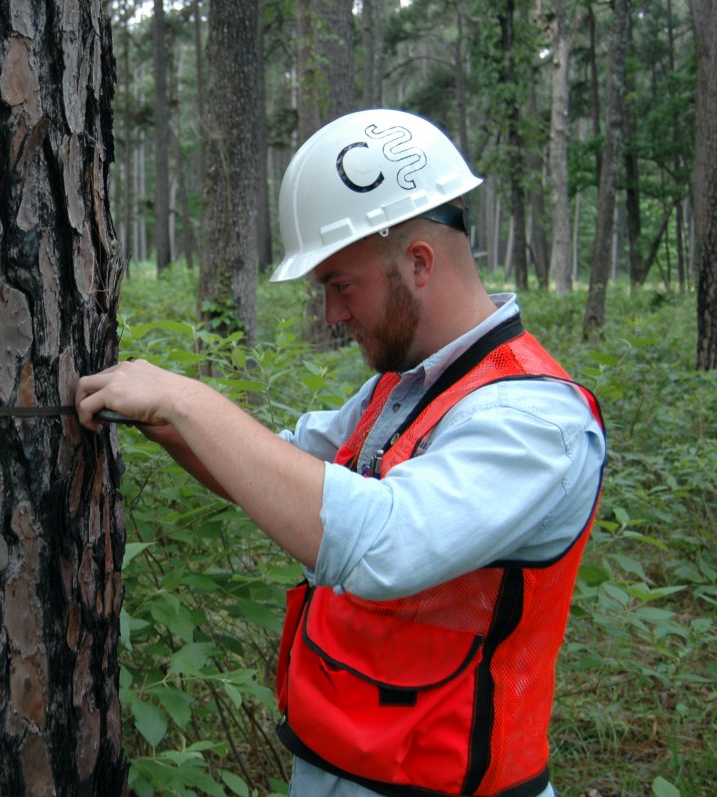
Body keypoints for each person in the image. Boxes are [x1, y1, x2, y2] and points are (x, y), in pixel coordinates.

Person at [75, 108, 606, 797]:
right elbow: (271, 465)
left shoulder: (536, 421)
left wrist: (185, 400)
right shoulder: (405, 388)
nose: (330, 313)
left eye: (340, 283)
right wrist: (154, 414)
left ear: (418, 262)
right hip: (341, 766)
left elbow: (383, 541)